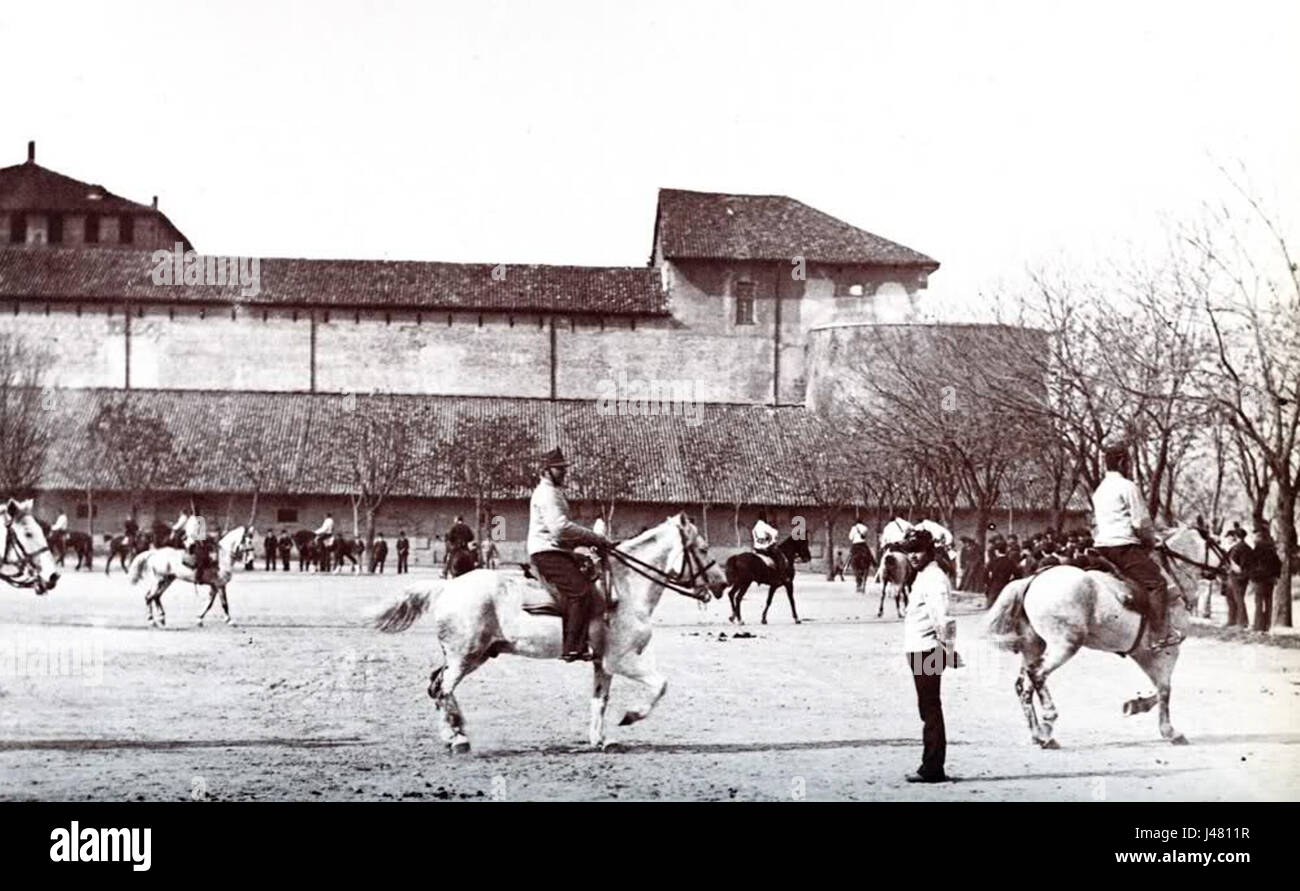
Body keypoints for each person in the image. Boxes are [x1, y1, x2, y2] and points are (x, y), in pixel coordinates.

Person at [1092, 440, 1183, 650]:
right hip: (1124, 546)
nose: (1130, 465)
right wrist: (1151, 541)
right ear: (1123, 461)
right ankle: (1159, 635)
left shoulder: (1099, 491)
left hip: (1102, 547)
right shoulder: (1127, 486)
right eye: (1129, 461)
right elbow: (1141, 522)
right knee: (1157, 583)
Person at [527, 447, 612, 662]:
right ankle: (573, 647)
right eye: (559, 469)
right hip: (546, 551)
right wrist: (593, 537)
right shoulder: (546, 493)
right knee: (580, 591)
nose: (564, 473)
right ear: (546, 470)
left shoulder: (554, 492)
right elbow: (560, 528)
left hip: (555, 549)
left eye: (563, 469)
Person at [900, 527, 956, 783]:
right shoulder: (923, 575)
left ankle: (933, 768)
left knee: (930, 708)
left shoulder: (934, 578)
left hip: (929, 649)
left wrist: (947, 650)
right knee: (927, 707)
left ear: (930, 551)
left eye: (918, 551)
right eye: (909, 551)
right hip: (919, 647)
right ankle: (931, 765)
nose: (912, 556)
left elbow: (943, 618)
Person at [1250, 523, 1281, 634]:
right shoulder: (1271, 548)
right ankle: (1267, 626)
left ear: (1259, 535)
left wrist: (1253, 577)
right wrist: (1276, 576)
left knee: (1259, 603)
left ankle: (1258, 627)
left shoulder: (1258, 548)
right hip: (1270, 580)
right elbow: (1278, 563)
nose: (1254, 537)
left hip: (1260, 580)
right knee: (1268, 602)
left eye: (1255, 535)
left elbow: (1252, 564)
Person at [1224, 528, 1252, 628]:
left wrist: (1232, 568)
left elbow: (1232, 562)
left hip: (1236, 576)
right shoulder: (1248, 547)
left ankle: (1241, 622)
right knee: (1235, 598)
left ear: (1236, 536)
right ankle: (1235, 620)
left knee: (1236, 599)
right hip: (1244, 576)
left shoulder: (1237, 548)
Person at [751, 511, 786, 579]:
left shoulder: (755, 527)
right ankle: (780, 574)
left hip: (756, 548)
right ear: (764, 517)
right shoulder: (764, 525)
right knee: (779, 557)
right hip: (764, 548)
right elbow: (775, 532)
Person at [984, 541, 1018, 609]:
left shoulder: (993, 562)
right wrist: (1011, 581)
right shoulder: (1010, 562)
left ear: (997, 551)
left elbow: (985, 573)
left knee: (992, 607)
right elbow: (1017, 574)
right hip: (1006, 585)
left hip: (994, 587)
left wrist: (988, 583)